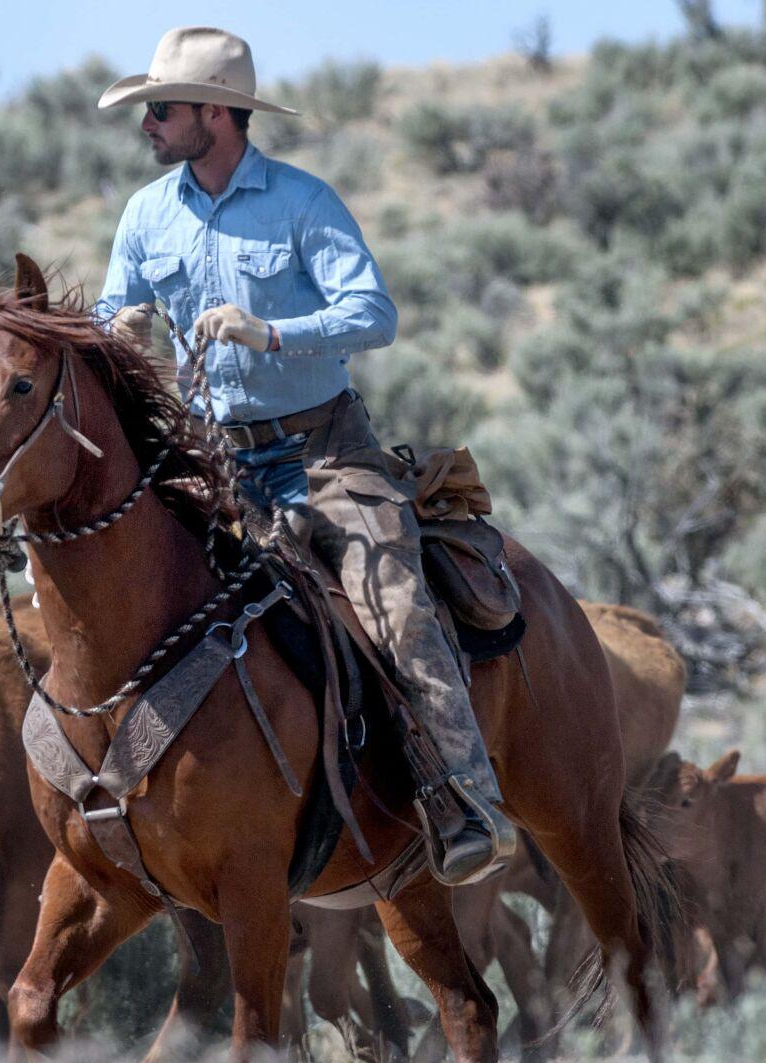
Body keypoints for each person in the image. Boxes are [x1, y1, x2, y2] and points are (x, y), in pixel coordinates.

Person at [91, 26, 516, 885]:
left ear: (216, 113)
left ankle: (467, 802)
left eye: (161, 108)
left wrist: (272, 331)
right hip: (207, 464)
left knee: (395, 604)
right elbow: (111, 312)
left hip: (325, 455)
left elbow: (374, 313)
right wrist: (120, 335)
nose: (149, 124)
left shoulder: (302, 202)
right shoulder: (146, 215)